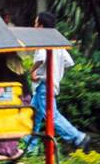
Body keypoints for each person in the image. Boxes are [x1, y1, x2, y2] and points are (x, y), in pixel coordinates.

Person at [26, 11, 91, 153]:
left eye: (36, 23)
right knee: (33, 115)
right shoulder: (57, 41)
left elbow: (41, 58)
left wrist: (33, 71)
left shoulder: (42, 40)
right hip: (49, 84)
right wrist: (56, 71)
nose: (34, 26)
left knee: (51, 116)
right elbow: (68, 62)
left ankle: (78, 137)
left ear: (42, 26)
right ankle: (29, 147)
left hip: (44, 84)